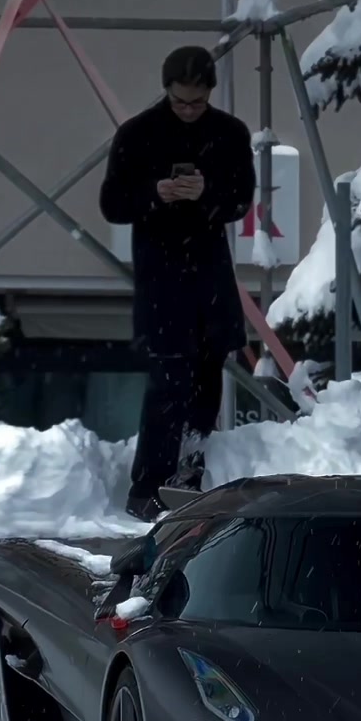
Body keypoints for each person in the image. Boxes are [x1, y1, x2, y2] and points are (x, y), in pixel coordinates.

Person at [100, 44, 256, 520]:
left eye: (197, 101)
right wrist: (156, 194)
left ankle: (188, 481)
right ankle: (147, 486)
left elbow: (240, 200)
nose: (189, 110)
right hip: (162, 272)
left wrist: (207, 192)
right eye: (181, 101)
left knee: (207, 383)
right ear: (167, 91)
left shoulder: (229, 133)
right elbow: (113, 204)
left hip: (208, 267)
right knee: (168, 382)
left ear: (209, 93)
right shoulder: (138, 134)